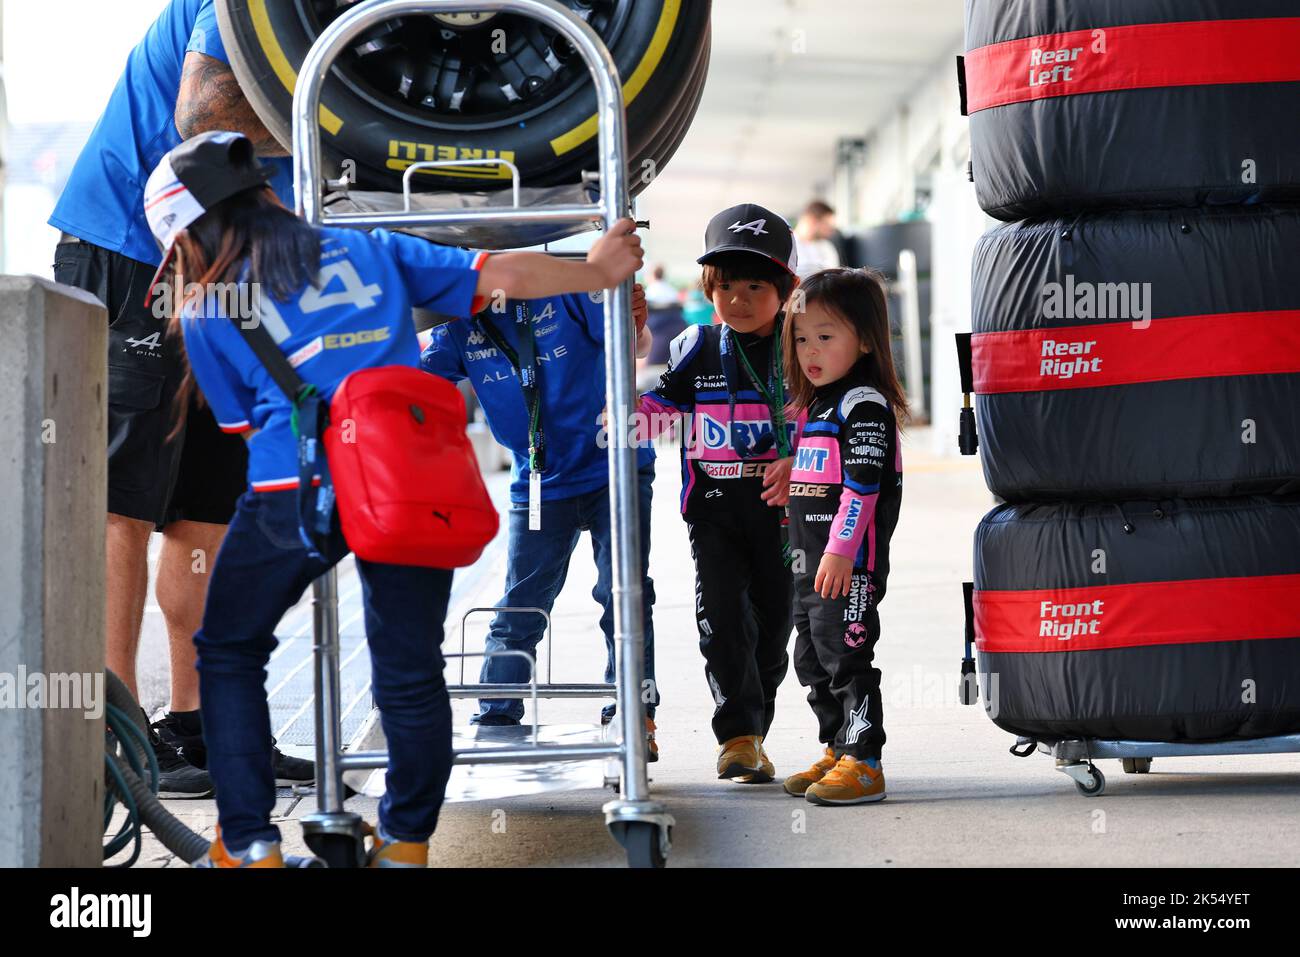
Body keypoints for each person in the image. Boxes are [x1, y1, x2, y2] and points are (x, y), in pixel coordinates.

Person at [149, 131, 644, 867]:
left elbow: (244, 425)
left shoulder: (209, 305)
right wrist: (598, 270)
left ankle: (250, 843)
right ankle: (407, 841)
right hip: (406, 484)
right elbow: (496, 275)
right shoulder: (372, 250)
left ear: (186, 232)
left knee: (228, 650)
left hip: (294, 492)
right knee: (408, 666)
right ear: (266, 195)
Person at [48, 0, 305, 796]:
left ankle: (194, 725)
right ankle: (111, 732)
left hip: (232, 264)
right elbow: (207, 113)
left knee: (209, 507)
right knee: (119, 501)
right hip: (136, 251)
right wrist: (339, 126)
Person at [419, 282, 663, 757]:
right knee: (520, 604)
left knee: (624, 594)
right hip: (538, 481)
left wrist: (636, 322)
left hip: (614, 468)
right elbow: (416, 381)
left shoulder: (569, 287)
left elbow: (634, 347)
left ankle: (633, 714)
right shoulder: (457, 322)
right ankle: (495, 713)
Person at [636, 203, 801, 783]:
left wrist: (799, 459)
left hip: (786, 518)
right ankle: (737, 736)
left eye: (757, 285)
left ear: (788, 288)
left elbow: (836, 422)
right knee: (724, 617)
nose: (739, 299)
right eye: (725, 285)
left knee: (775, 624)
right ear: (708, 288)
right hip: (712, 513)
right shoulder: (698, 345)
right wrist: (620, 414)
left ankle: (754, 730)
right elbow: (658, 408)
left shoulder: (805, 346)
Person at [780, 268, 906, 806]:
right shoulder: (816, 406)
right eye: (802, 338)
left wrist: (839, 551)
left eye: (825, 337)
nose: (811, 350)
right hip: (809, 566)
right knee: (810, 660)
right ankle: (836, 747)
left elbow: (861, 491)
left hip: (847, 566)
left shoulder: (864, 405)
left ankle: (865, 760)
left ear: (867, 339)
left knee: (846, 658)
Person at [792, 200, 842, 279]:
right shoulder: (788, 244)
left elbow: (835, 277)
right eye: (827, 224)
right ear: (813, 220)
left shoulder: (827, 246)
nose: (831, 230)